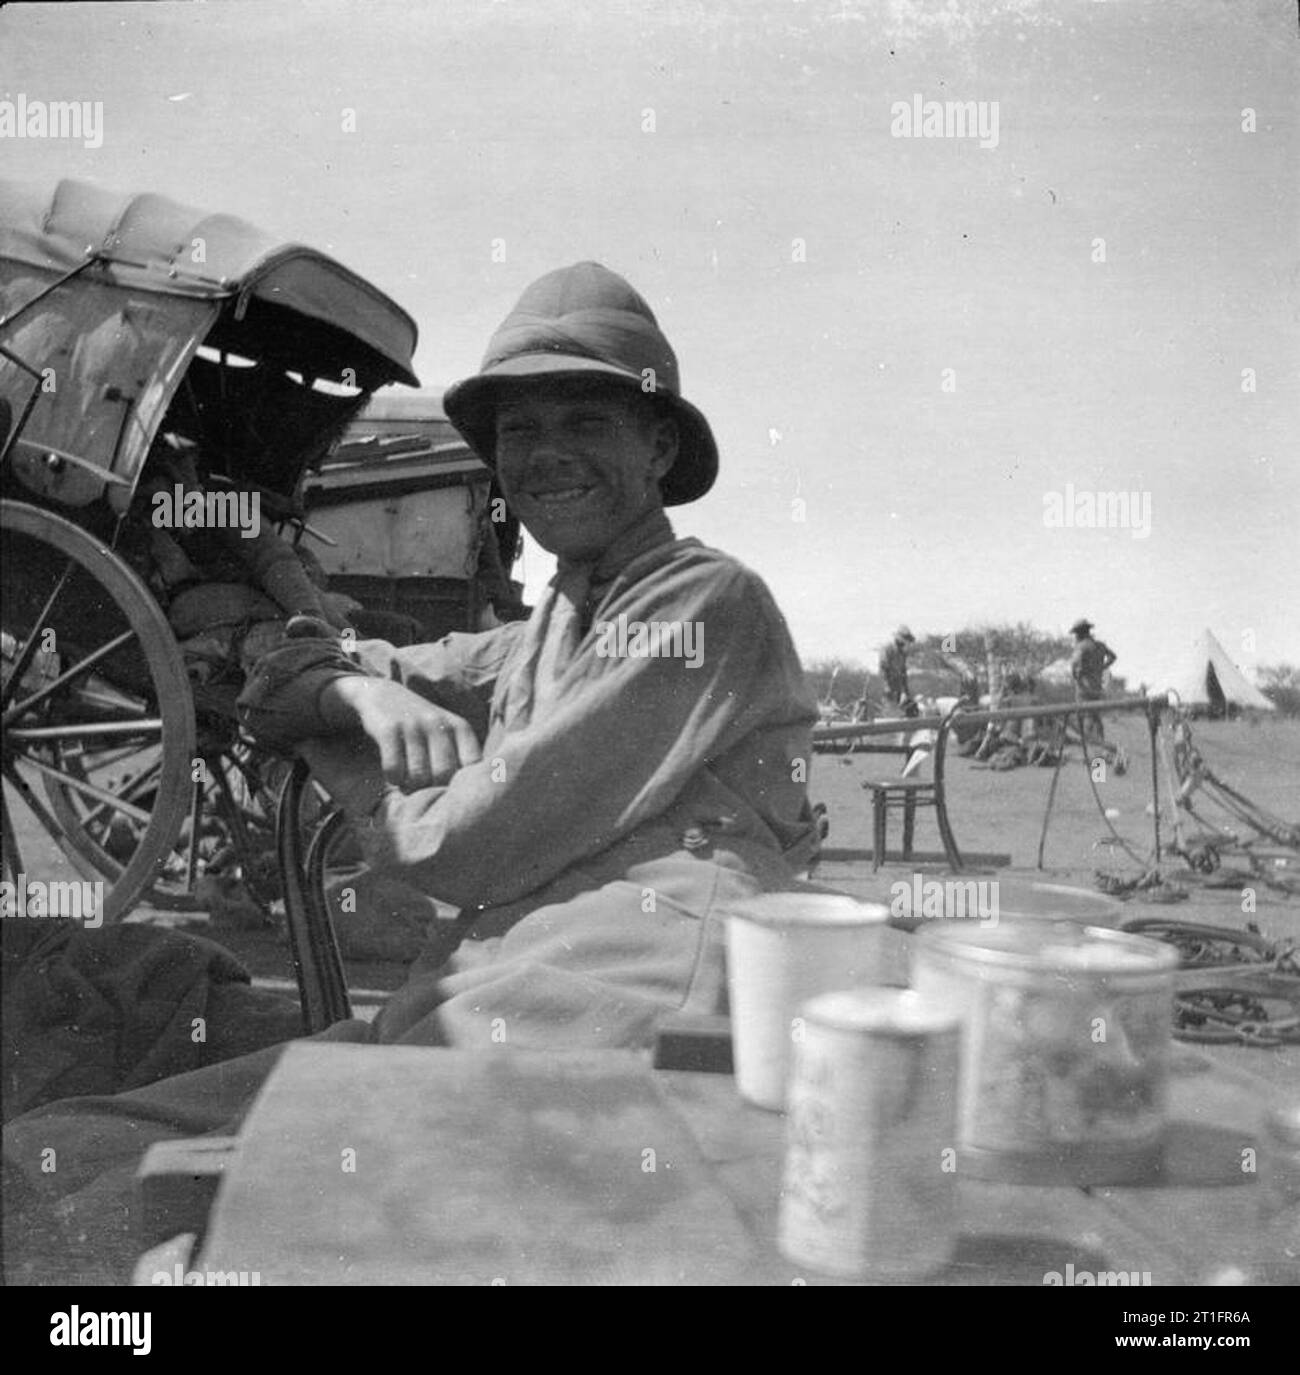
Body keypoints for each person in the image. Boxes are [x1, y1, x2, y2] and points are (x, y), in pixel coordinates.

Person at [3, 261, 820, 1283]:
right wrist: (359, 696)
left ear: (657, 443)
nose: (544, 455)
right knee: (76, 1144)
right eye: (518, 432)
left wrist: (343, 730)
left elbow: (461, 841)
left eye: (586, 423)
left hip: (629, 1005)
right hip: (493, 984)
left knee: (152, 1191)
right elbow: (297, 673)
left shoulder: (704, 603)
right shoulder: (543, 630)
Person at [1070, 617, 1117, 741]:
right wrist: (1101, 667)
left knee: (1086, 716)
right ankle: (1100, 742)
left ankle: (1092, 746)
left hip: (1084, 688)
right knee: (1095, 715)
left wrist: (1078, 676)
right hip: (1097, 687)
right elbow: (1113, 657)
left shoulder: (1081, 647)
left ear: (1079, 633)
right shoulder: (1099, 645)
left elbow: (1075, 666)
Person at [879, 624, 917, 717]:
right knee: (891, 714)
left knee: (907, 711)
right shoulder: (887, 649)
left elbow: (903, 672)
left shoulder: (903, 652)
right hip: (888, 687)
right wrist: (886, 685)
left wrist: (906, 691)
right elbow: (883, 668)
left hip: (898, 688)